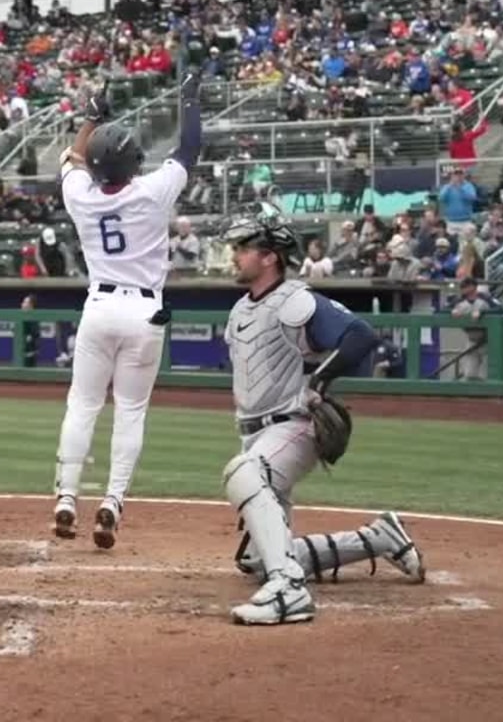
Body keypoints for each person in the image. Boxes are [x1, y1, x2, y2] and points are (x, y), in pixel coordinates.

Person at [216, 208, 426, 626]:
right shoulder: (242, 308)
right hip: (257, 433)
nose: (235, 255)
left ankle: (290, 592)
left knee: (244, 474)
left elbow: (360, 335)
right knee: (260, 559)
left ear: (270, 256)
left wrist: (321, 379)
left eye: (243, 247)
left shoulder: (295, 298)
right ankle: (377, 538)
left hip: (293, 425)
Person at [51, 68, 202, 550]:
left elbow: (75, 157)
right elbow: (188, 150)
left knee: (82, 405)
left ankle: (66, 498)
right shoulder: (153, 191)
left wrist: (91, 118)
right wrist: (189, 100)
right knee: (130, 411)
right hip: (143, 314)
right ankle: (113, 502)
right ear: (133, 161)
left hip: (99, 306)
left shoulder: (79, 195)